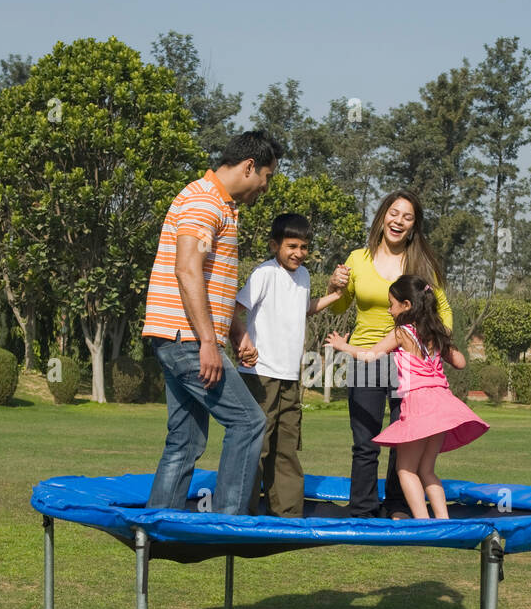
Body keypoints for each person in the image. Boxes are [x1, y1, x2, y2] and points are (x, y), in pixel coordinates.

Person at [140, 131, 281, 515]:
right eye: (266, 177)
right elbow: (187, 270)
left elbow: (208, 281)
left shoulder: (217, 203)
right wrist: (207, 342)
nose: (265, 188)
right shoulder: (205, 201)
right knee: (249, 423)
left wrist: (233, 331)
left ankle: (157, 531)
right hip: (187, 341)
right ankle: (228, 522)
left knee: (184, 440)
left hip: (178, 337)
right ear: (249, 167)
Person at [328, 190, 453, 517]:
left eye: (407, 217)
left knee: (406, 439)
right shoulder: (358, 259)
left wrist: (439, 342)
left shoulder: (422, 264)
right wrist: (334, 285)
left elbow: (443, 310)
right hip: (368, 357)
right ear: (383, 216)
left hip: (409, 363)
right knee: (365, 442)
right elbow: (341, 304)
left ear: (414, 226)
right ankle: (363, 509)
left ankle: (399, 505)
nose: (398, 221)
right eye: (394, 213)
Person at [327, 275, 487, 520]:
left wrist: (342, 346)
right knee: (427, 470)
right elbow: (461, 362)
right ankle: (443, 520)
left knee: (405, 469)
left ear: (406, 306)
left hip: (419, 405)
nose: (390, 310)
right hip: (442, 405)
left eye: (392, 304)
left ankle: (422, 521)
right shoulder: (437, 332)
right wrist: (444, 344)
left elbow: (371, 355)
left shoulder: (403, 333)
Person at [234, 213, 345, 516]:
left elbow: (304, 309)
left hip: (289, 376)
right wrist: (242, 342)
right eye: (292, 245)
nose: (298, 252)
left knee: (286, 446)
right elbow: (237, 308)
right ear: (275, 245)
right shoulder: (264, 274)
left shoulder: (305, 276)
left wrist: (333, 295)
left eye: (305, 247)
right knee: (258, 446)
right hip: (260, 375)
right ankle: (239, 511)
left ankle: (288, 514)